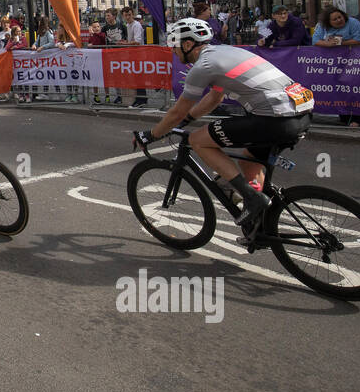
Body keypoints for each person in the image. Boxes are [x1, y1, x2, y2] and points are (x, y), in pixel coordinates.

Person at [134, 17, 314, 238]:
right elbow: (214, 98)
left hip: (275, 117)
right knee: (248, 162)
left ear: (188, 44)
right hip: (301, 114)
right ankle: (263, 224)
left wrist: (149, 136)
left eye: (175, 47)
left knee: (198, 141)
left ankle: (251, 198)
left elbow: (176, 112)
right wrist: (187, 119)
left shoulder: (203, 66)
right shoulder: (225, 52)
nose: (174, 52)